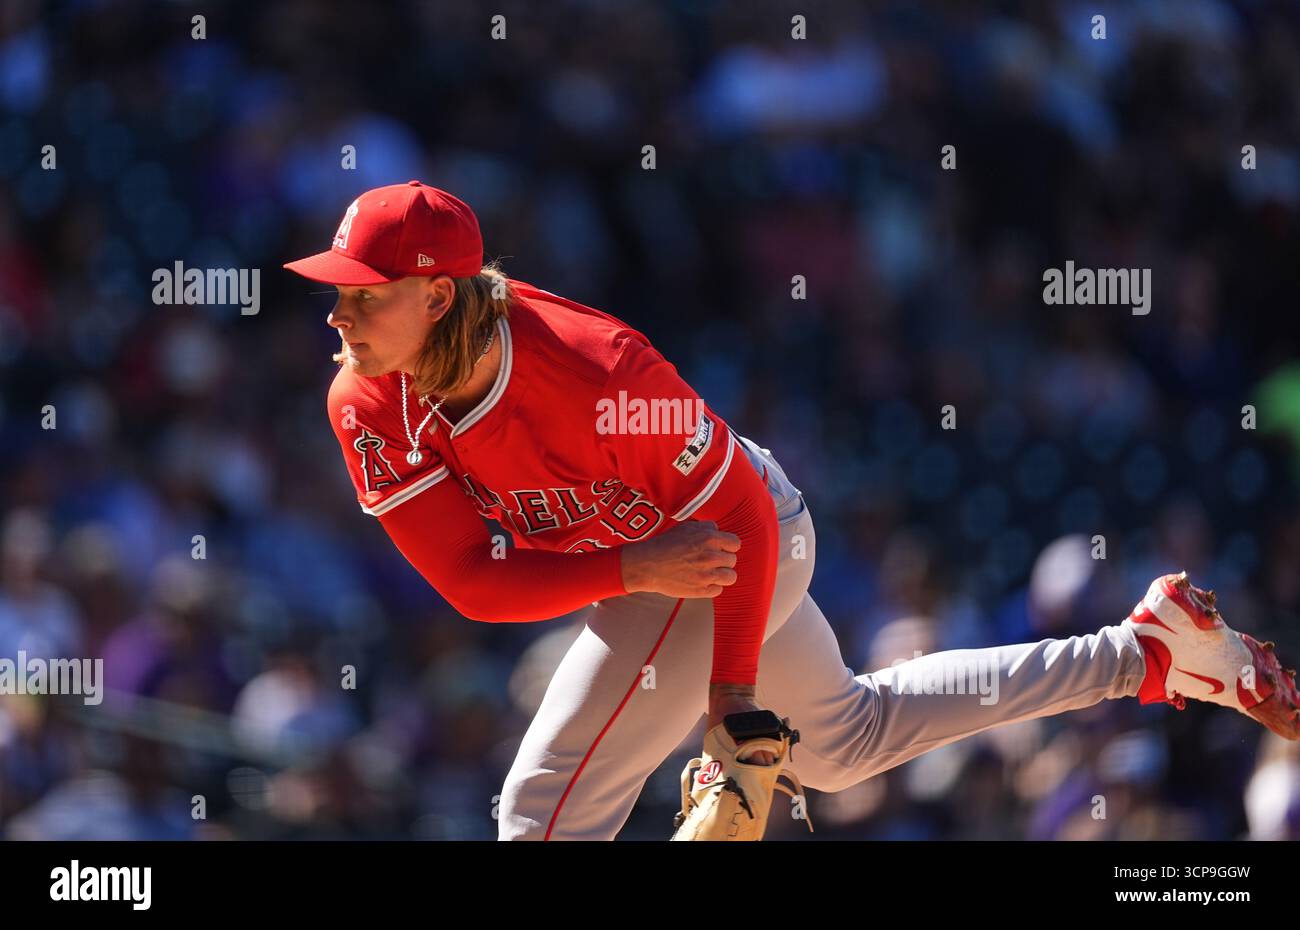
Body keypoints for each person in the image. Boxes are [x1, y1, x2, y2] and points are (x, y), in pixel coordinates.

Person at [285, 181, 1300, 841]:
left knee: (540, 815)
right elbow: (471, 581)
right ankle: (1154, 652)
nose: (336, 313)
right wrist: (633, 573)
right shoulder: (366, 397)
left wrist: (728, 695)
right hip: (652, 565)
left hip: (745, 535)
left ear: (440, 295)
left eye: (361, 294)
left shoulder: (598, 372)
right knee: (847, 740)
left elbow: (738, 517)